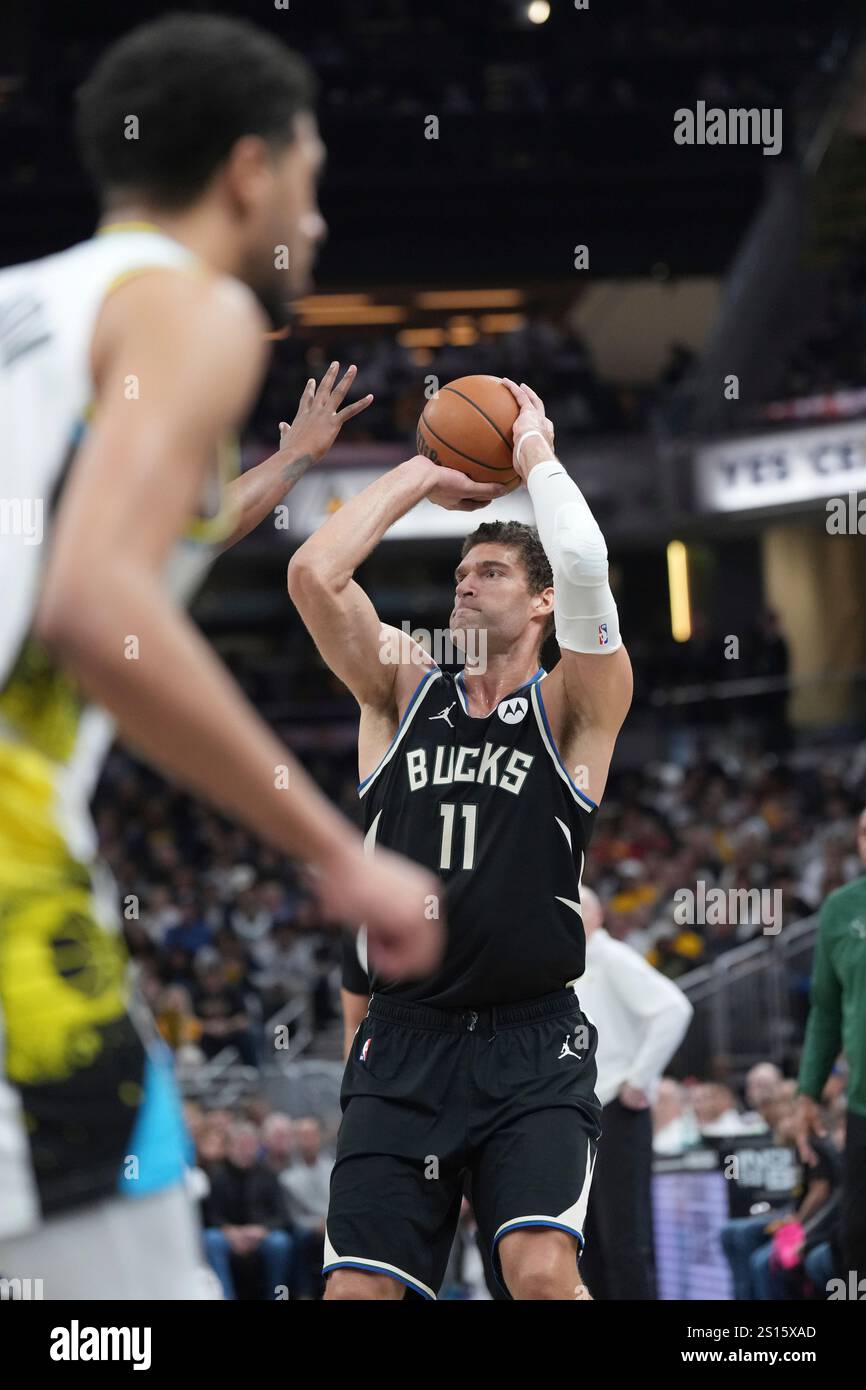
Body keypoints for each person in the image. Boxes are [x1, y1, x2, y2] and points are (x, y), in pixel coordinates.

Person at [0, 13, 444, 1299]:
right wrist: (333, 848)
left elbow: (114, 535)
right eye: (312, 173)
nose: (319, 213)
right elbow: (94, 597)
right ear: (251, 170)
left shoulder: (31, 310)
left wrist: (293, 468)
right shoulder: (192, 310)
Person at [288, 378, 634, 1300]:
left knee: (540, 1274)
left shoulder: (571, 707)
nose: (466, 585)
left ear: (540, 606)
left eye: (491, 574)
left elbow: (589, 565)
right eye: (458, 574)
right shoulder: (401, 690)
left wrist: (533, 457)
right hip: (404, 1041)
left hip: (534, 1041)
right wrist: (421, 473)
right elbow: (315, 575)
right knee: (357, 1295)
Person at [576, 887, 693, 1300]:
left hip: (617, 1112)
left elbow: (674, 1008)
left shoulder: (610, 957)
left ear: (593, 916)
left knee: (624, 1235)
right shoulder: (574, 965)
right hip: (582, 1117)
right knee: (585, 1238)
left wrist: (640, 1079)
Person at [794, 805, 866, 1286]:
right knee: (856, 1238)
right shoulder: (842, 908)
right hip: (862, 1106)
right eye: (864, 833)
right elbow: (824, 1010)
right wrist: (807, 1092)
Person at [202, 1123, 292, 1300]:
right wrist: (230, 1231)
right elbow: (210, 1214)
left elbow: (282, 1215)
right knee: (211, 1240)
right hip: (228, 1234)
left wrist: (262, 1230)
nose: (245, 1151)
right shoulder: (217, 1175)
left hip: (261, 1235)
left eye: (249, 1145)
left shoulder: (268, 1174)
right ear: (230, 1148)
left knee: (280, 1243)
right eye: (240, 1145)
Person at [280, 1117, 331, 1299]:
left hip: (334, 1224)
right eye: (303, 1136)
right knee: (299, 1238)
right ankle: (305, 1293)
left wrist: (329, 1223)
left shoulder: (334, 1167)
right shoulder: (287, 1177)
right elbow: (293, 1216)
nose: (308, 1141)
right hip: (308, 1229)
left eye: (312, 1135)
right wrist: (315, 1225)